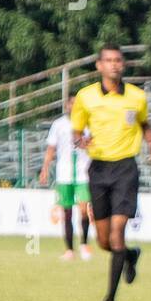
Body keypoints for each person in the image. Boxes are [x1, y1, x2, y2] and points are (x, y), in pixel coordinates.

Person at [70, 44, 151, 301]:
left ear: (124, 65)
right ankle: (131, 255)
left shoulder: (136, 96)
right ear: (99, 65)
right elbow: (76, 131)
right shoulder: (85, 97)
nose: (114, 64)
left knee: (118, 233)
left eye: (118, 60)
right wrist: (80, 140)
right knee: (105, 241)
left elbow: (144, 124)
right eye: (108, 60)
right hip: (98, 170)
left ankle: (109, 299)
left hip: (125, 169)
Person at [39, 95, 92, 261]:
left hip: (83, 171)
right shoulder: (58, 124)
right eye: (71, 104)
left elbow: (94, 143)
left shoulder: (88, 123)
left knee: (84, 210)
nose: (74, 107)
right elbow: (51, 149)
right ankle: (69, 250)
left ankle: (84, 244)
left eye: (77, 104)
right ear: (67, 106)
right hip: (64, 172)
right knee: (67, 212)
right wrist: (45, 169)